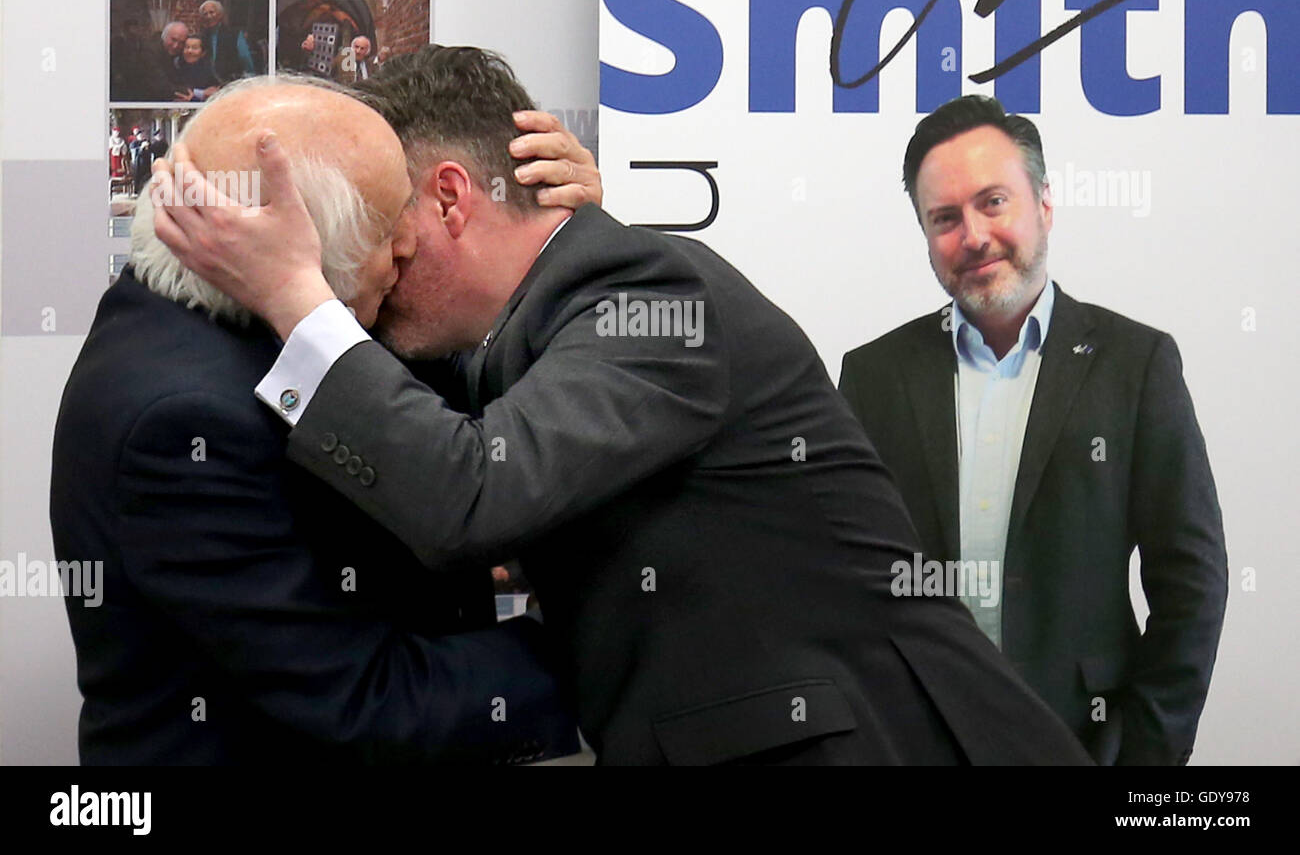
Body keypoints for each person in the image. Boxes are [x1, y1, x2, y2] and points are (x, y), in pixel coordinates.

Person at [154, 45, 1093, 766]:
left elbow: (472, 492)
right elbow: (447, 435)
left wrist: (294, 297)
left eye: (381, 226)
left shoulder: (647, 295)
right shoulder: (550, 318)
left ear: (448, 199)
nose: (371, 266)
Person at [50, 73, 598, 764]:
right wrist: (611, 655)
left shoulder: (204, 317)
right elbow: (364, 700)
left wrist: (550, 244)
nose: (410, 244)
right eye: (388, 222)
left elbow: (449, 412)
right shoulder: (184, 426)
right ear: (287, 249)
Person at [838, 95, 1228, 765]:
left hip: (1083, 744)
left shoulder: (1135, 365)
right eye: (945, 218)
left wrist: (1144, 758)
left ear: (1044, 203)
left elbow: (1192, 578)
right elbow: (846, 577)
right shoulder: (872, 375)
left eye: (994, 202)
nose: (975, 235)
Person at [197, 0, 259, 83]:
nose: (209, 16)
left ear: (220, 14)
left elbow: (246, 59)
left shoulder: (234, 34)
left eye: (212, 12)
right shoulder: (202, 36)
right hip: (209, 84)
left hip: (231, 82)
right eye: (205, 14)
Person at [172, 35, 220, 102]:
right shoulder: (176, 66)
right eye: (187, 47)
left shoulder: (211, 70)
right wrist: (201, 93)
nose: (189, 51)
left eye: (194, 48)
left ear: (203, 52)